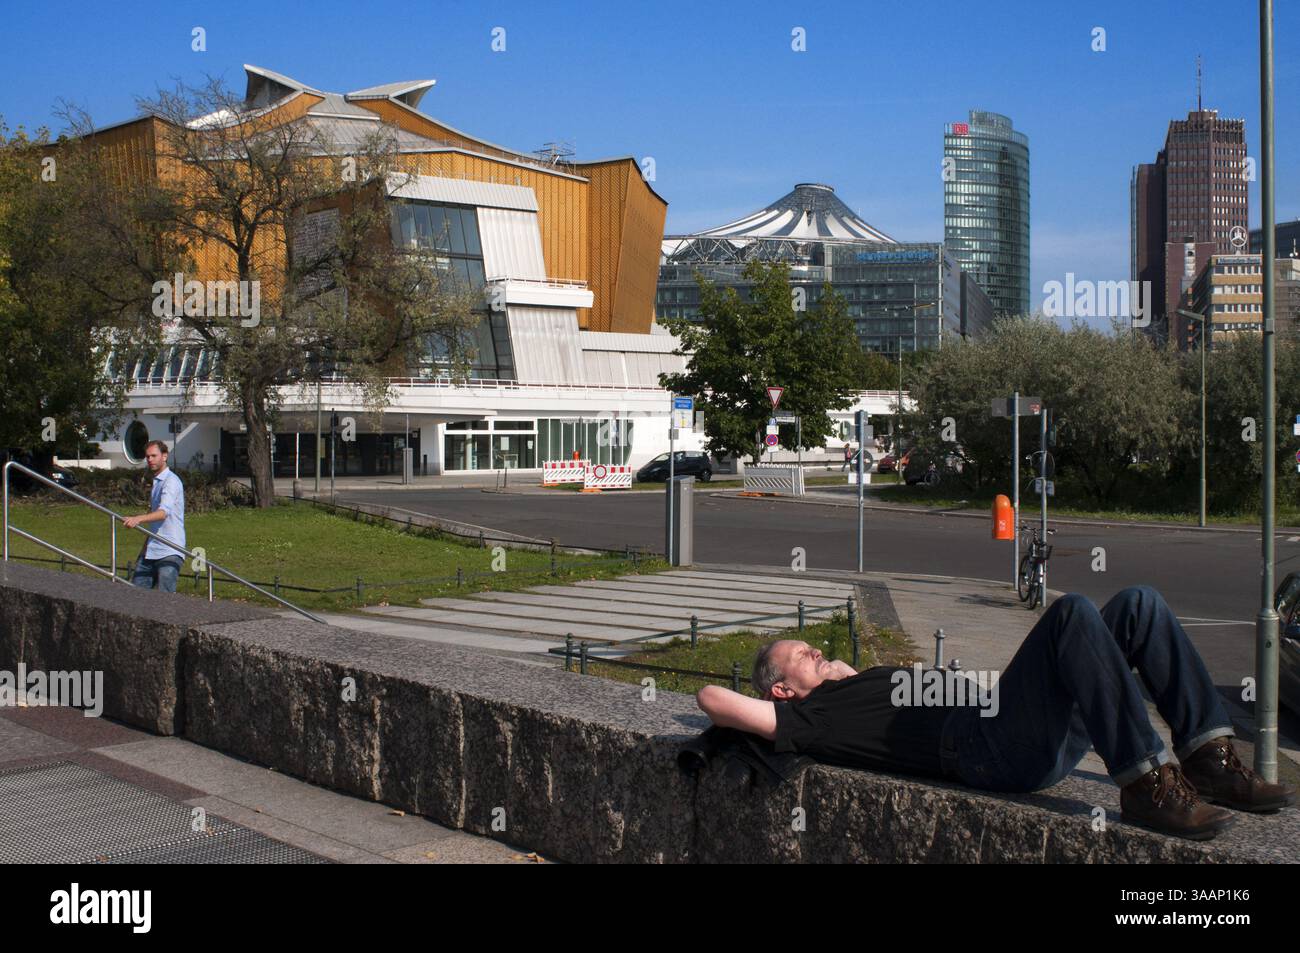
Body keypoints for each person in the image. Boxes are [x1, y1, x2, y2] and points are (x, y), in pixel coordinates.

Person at [696, 586, 1296, 841]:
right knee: (1072, 613)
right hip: (989, 749)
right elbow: (711, 700)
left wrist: (855, 678)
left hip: (1007, 720)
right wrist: (812, 697)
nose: (817, 651)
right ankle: (1144, 785)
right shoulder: (812, 716)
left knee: (1137, 605)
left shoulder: (849, 688)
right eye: (803, 655)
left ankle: (1208, 758)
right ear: (781, 691)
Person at [123, 440, 186, 593]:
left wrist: (138, 518)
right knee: (136, 594)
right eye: (147, 456)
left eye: (154, 456)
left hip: (170, 549)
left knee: (165, 599)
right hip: (152, 549)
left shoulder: (171, 481)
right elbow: (156, 523)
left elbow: (163, 513)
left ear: (164, 456)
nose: (150, 460)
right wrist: (144, 548)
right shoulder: (157, 482)